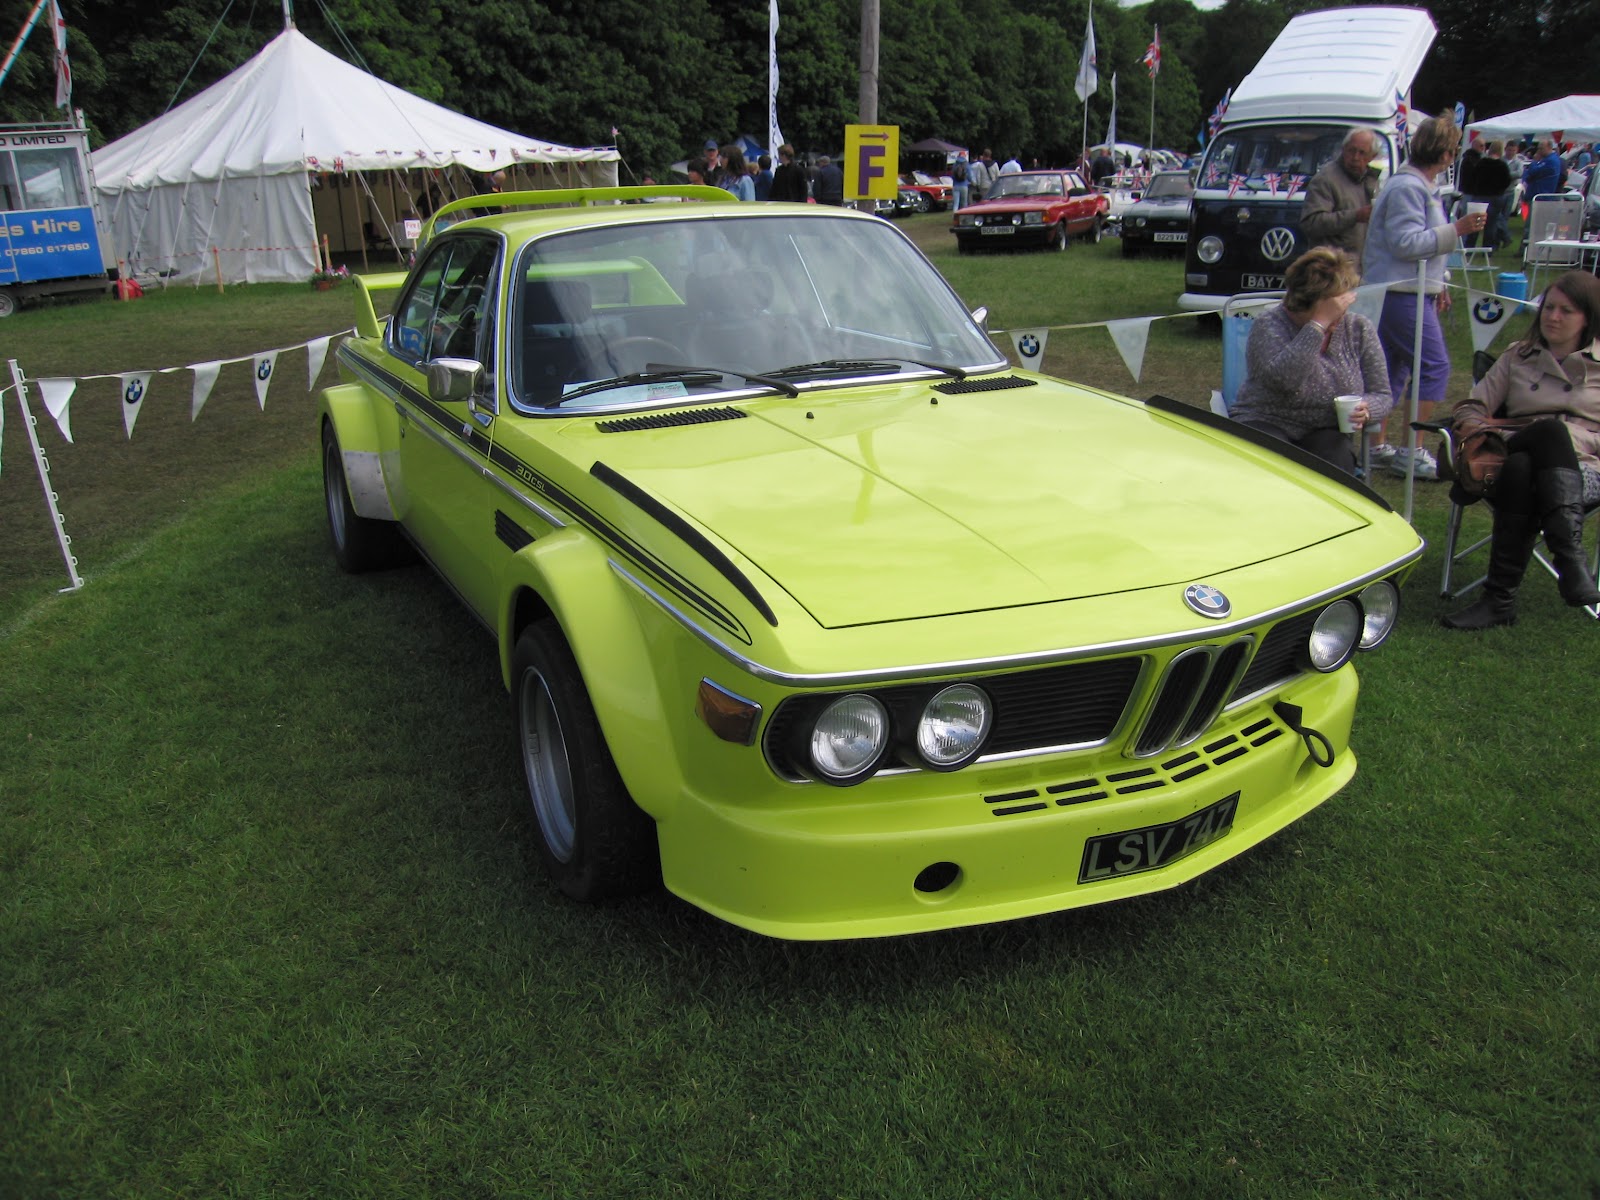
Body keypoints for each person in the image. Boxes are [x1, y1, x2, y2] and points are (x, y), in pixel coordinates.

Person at [1441, 270, 1600, 628]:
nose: (1553, 317)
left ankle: (1499, 600)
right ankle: (1569, 560)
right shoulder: (1519, 355)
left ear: (1588, 317)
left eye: (1566, 311)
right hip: (1511, 446)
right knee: (1546, 433)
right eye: (1548, 307)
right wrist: (1487, 433)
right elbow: (1470, 408)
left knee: (1523, 467)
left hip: (1584, 468)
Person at [1362, 114, 1487, 480]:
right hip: (1400, 291)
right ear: (1445, 153)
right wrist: (1456, 229)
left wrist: (1438, 283)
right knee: (1433, 365)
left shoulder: (1417, 185)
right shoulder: (1408, 188)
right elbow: (1405, 243)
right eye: (1453, 149)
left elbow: (1416, 246)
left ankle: (1376, 447)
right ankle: (1410, 450)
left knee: (1392, 369)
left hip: (1404, 288)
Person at [1229, 247, 1391, 475]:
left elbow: (1382, 394)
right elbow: (1284, 381)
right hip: (1266, 420)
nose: (1340, 314)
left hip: (1326, 428)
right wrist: (1318, 326)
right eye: (1333, 307)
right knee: (1272, 463)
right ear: (1305, 301)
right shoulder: (1269, 325)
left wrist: (1367, 409)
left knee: (1335, 464)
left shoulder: (1359, 328)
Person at [1300, 127, 1380, 255]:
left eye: (1362, 153)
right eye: (1351, 151)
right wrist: (1355, 216)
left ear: (1372, 156)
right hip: (1332, 263)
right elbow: (1311, 223)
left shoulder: (1371, 180)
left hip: (1363, 262)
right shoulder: (1326, 179)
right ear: (1343, 149)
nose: (1355, 157)